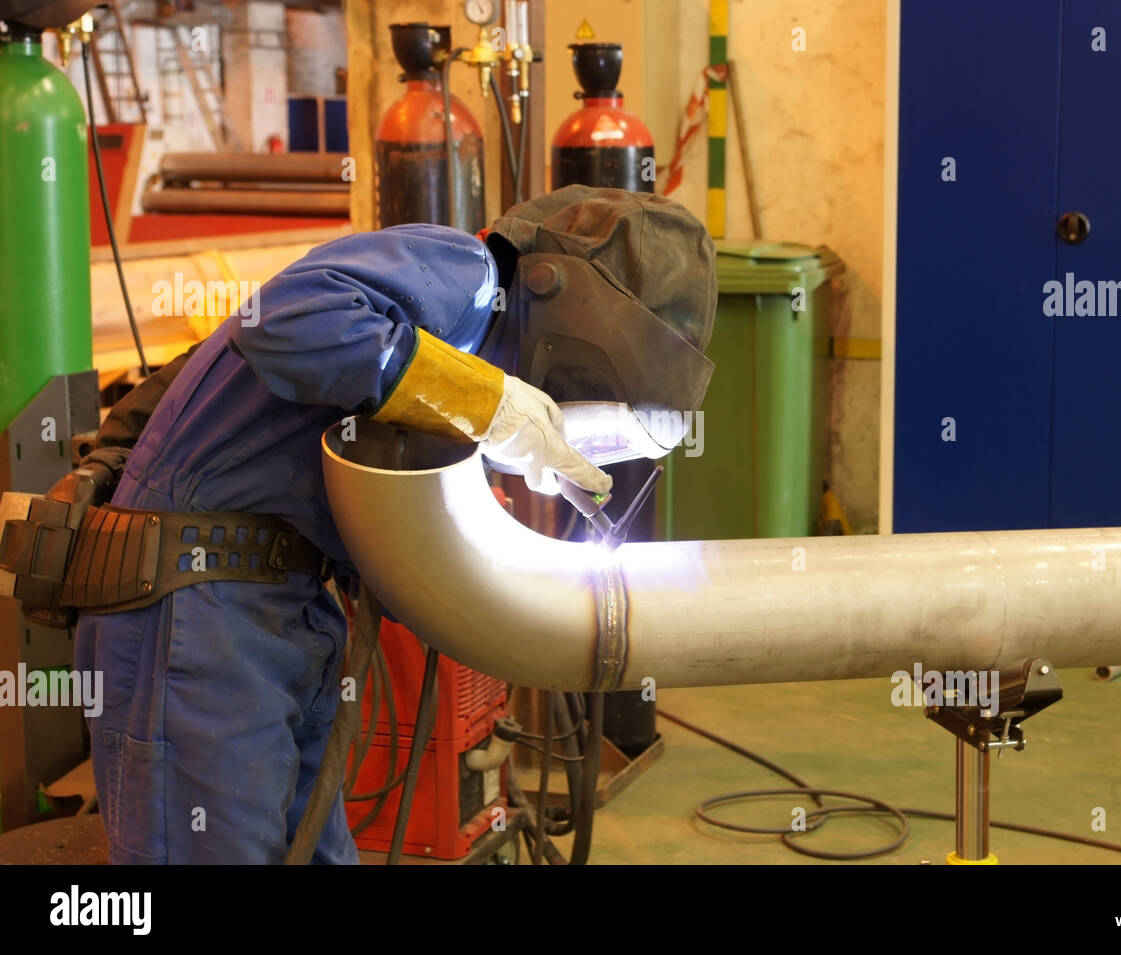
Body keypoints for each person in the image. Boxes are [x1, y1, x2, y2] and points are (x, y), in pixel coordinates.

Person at [67, 185, 717, 863]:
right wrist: (486, 404)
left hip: (281, 610)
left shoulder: (456, 359)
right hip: (199, 607)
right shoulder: (466, 274)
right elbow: (287, 320)